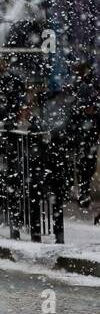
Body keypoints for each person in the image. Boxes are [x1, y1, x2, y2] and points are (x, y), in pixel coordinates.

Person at [62, 62, 100, 211]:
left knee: (84, 166)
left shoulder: (82, 91)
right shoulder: (83, 93)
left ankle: (80, 191)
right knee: (82, 166)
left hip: (84, 137)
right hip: (82, 137)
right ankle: (79, 191)